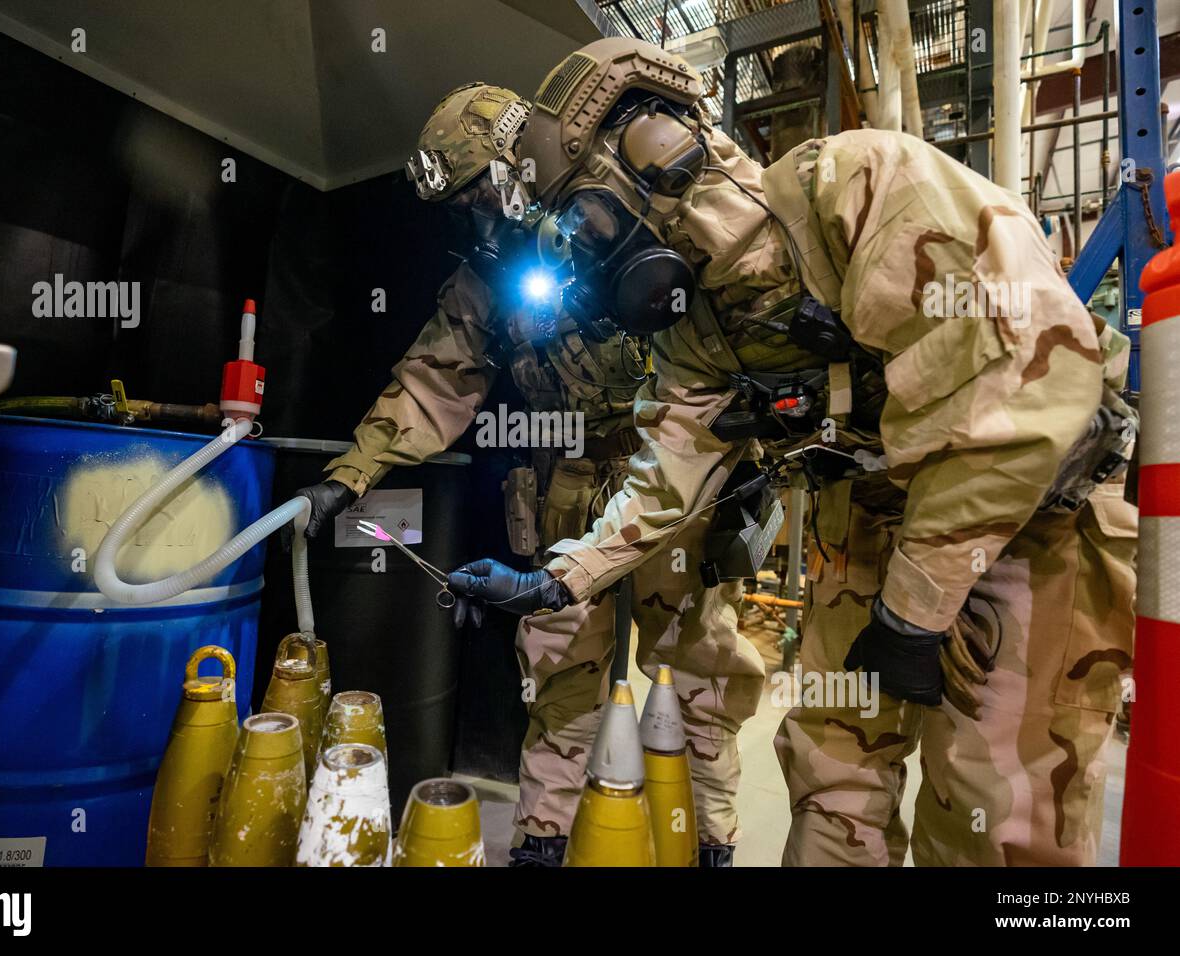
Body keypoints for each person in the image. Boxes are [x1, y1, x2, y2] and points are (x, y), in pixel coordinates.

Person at [447, 38, 1137, 866]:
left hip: (1027, 522)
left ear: (658, 153)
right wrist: (558, 577)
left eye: (588, 221)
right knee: (831, 776)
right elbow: (666, 475)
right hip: (871, 521)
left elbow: (1020, 403)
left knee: (993, 811)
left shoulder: (865, 182)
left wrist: (912, 618)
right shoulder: (697, 328)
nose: (586, 255)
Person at [295, 82, 764, 866]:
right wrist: (349, 477)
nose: (480, 213)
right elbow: (432, 381)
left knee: (700, 677)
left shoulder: (632, 217)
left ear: (517, 164)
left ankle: (709, 842)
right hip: (570, 483)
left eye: (482, 189)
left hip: (677, 474)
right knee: (561, 679)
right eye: (464, 202)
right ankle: (541, 845)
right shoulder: (488, 280)